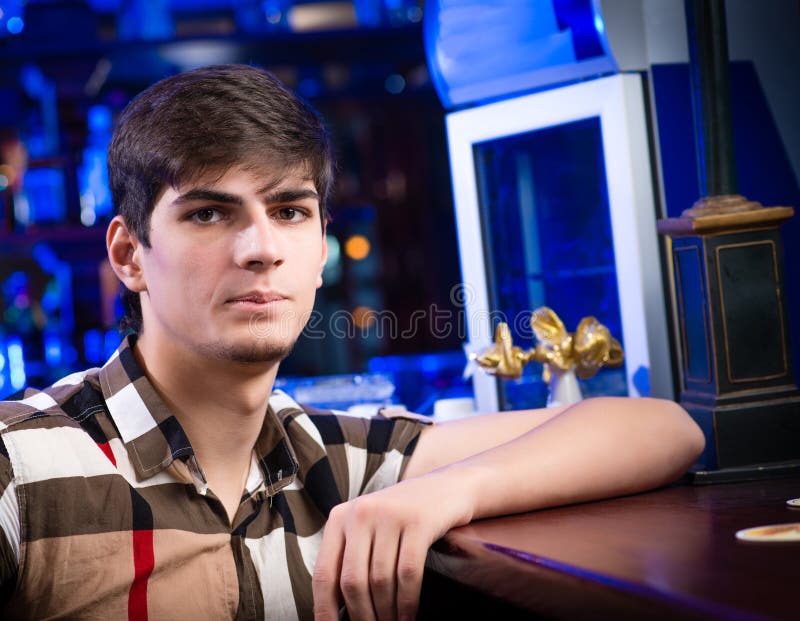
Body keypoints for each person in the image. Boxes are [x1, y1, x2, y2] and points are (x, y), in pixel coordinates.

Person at [0, 65, 704, 621]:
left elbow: (662, 427)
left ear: (320, 246)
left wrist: (442, 493)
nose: (261, 248)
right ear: (127, 253)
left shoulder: (335, 462)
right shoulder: (23, 465)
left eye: (289, 210)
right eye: (210, 212)